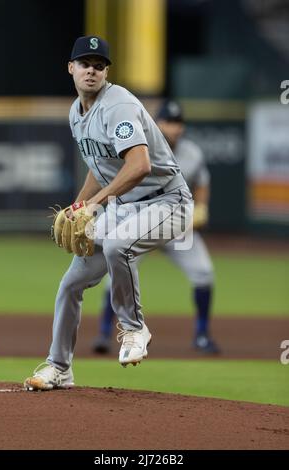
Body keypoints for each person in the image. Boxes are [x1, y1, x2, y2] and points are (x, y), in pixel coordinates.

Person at [24, 36, 193, 391]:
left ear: (106, 73)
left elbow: (140, 165)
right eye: (85, 64)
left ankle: (134, 329)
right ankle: (59, 368)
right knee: (71, 284)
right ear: (71, 68)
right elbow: (100, 166)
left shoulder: (117, 106)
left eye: (99, 66)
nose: (91, 71)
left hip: (167, 201)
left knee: (119, 246)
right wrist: (79, 205)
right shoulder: (76, 113)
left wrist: (98, 202)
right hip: (125, 206)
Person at [92, 100, 220, 355]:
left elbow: (202, 181)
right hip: (139, 220)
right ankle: (105, 332)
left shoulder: (192, 152)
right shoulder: (138, 147)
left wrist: (202, 207)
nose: (174, 128)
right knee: (117, 270)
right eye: (168, 122)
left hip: (176, 225)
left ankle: (203, 334)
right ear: (156, 123)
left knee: (204, 273)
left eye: (178, 123)